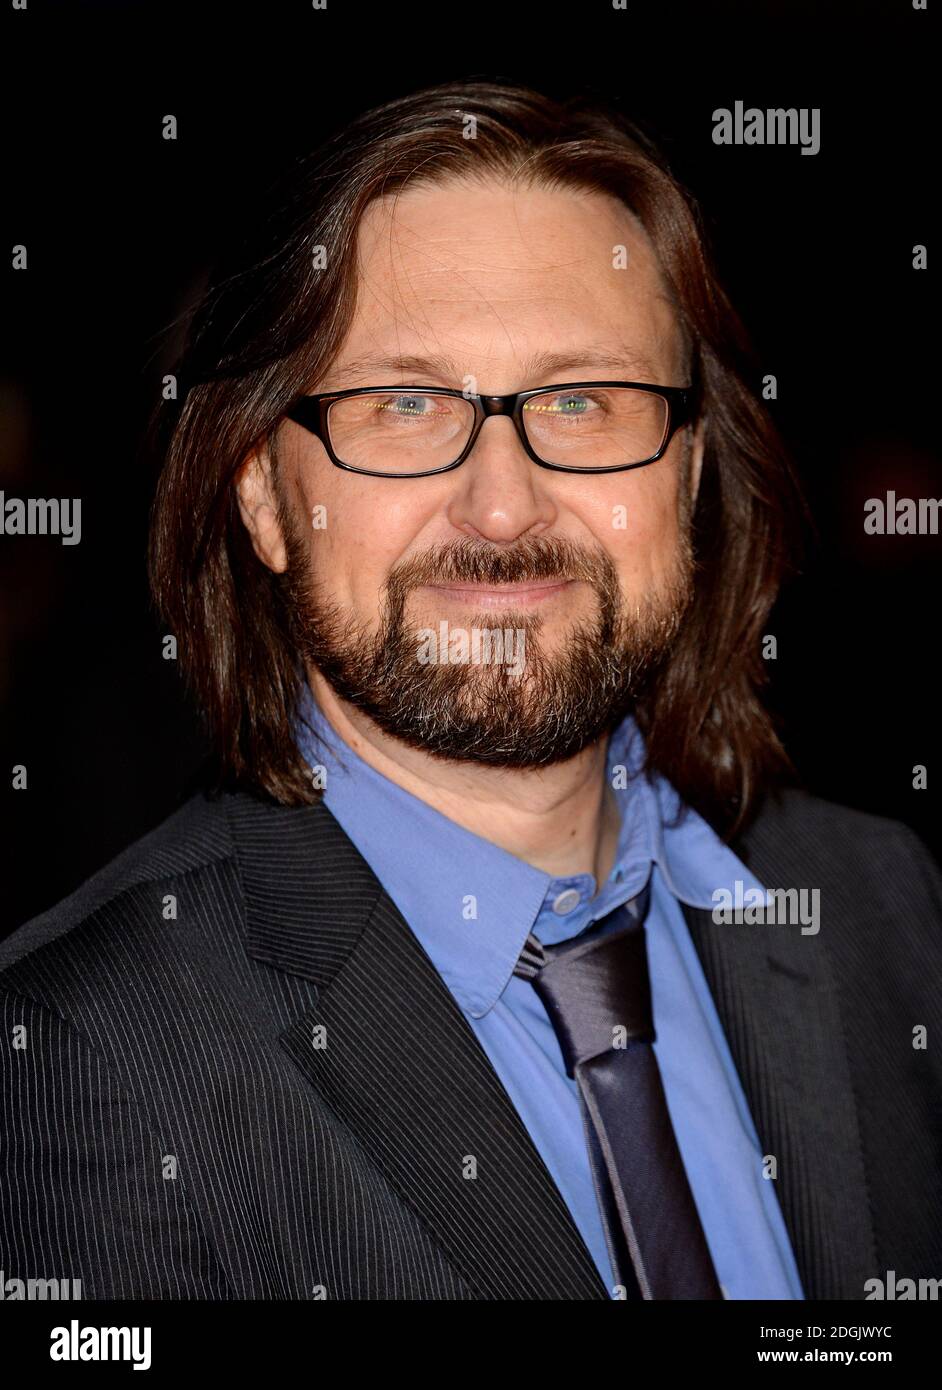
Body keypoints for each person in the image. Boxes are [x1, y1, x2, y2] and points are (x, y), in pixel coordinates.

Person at [2, 80, 940, 1302]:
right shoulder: (83, 1058)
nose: (503, 506)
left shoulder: (883, 905)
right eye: (405, 405)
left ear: (693, 474)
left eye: (582, 401)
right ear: (264, 499)